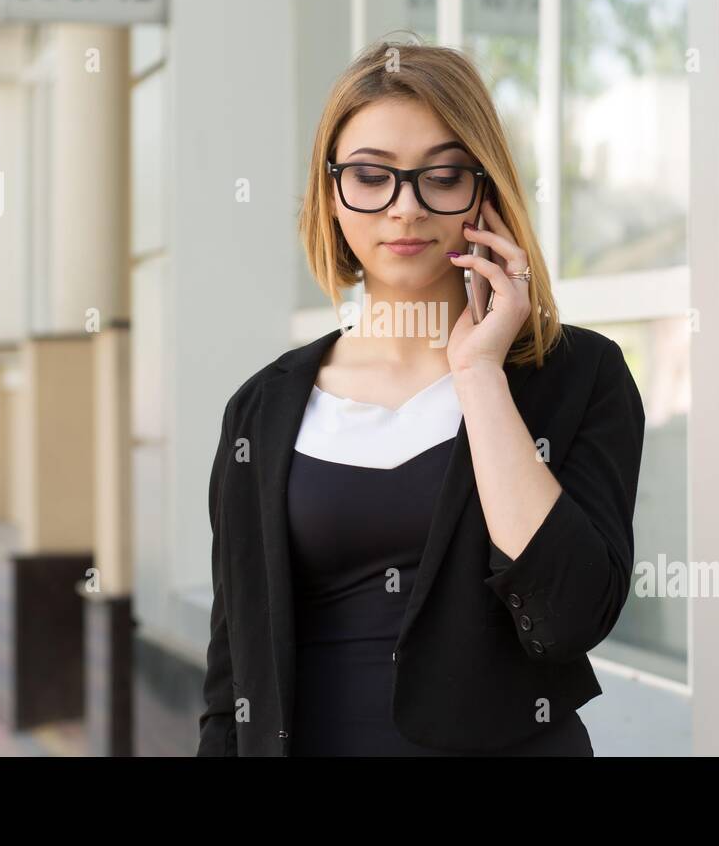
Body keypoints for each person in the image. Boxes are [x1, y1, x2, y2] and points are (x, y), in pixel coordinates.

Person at [198, 37, 646, 757]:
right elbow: (231, 682)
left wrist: (478, 375)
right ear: (331, 193)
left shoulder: (580, 375)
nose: (404, 209)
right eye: (371, 177)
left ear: (485, 194)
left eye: (440, 176)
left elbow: (566, 618)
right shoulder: (261, 409)